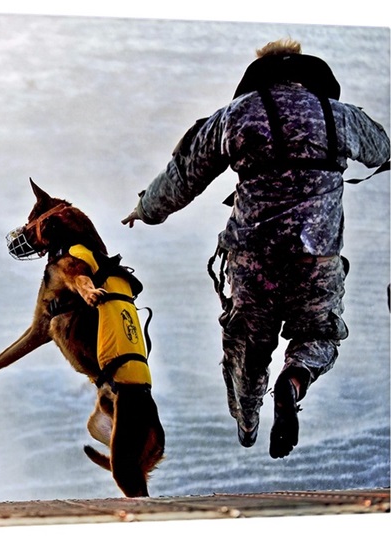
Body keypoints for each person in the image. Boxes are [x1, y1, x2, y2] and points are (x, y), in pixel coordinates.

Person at [122, 39, 389, 459]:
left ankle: (247, 424)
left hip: (253, 261)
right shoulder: (339, 117)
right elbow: (382, 148)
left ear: (258, 73)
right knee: (318, 334)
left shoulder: (235, 116)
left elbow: (182, 177)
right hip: (316, 260)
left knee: (246, 349)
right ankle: (295, 380)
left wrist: (144, 209)